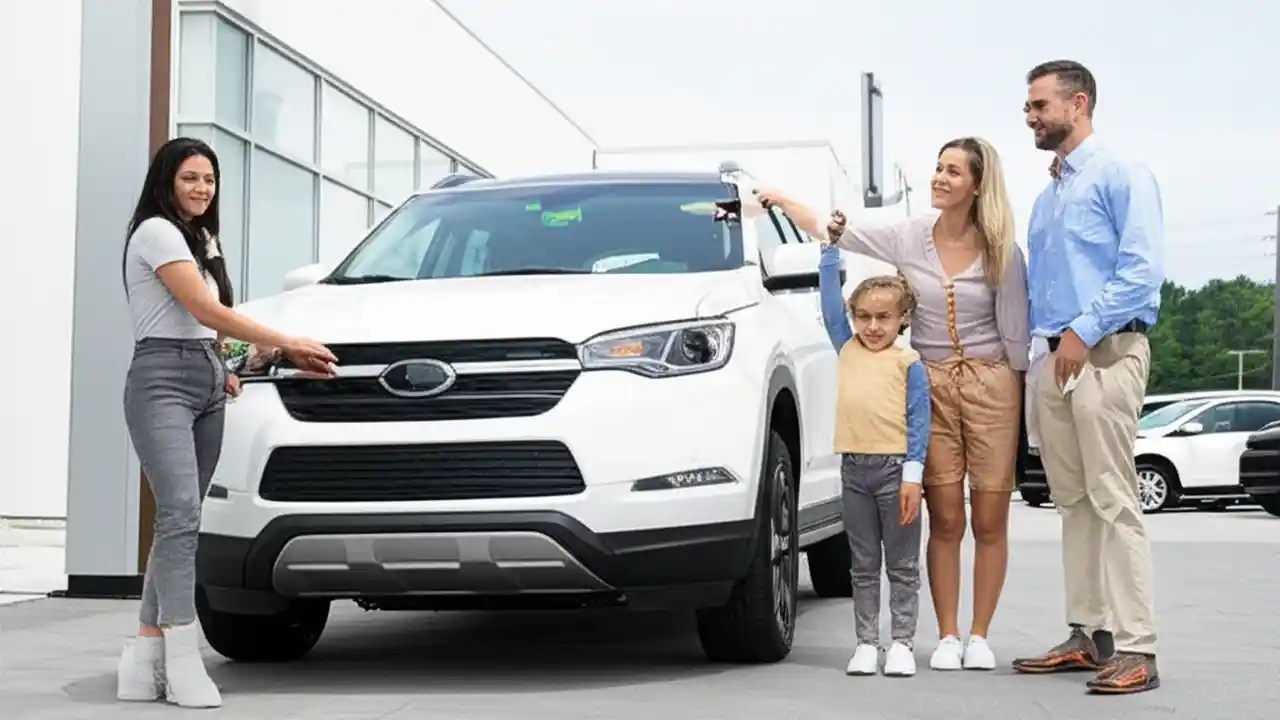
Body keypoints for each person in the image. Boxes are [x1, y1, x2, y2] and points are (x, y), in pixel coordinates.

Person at [757, 135, 1029, 672]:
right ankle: (947, 635)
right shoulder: (909, 236)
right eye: (938, 168)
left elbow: (1016, 336)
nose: (940, 178)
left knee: (991, 517)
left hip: (993, 384)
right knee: (946, 516)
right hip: (930, 384)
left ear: (977, 185)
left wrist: (1021, 414)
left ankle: (980, 635)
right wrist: (780, 199)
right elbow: (841, 231)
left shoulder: (1003, 249)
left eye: (953, 171)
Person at [116, 137, 338, 708]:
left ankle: (143, 657)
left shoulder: (201, 238)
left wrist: (234, 364)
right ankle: (184, 658)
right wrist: (288, 339)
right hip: (160, 377)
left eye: (209, 180)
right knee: (182, 514)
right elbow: (205, 310)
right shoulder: (156, 232)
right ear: (167, 181)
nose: (201, 188)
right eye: (191, 177)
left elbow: (212, 331)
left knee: (179, 520)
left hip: (207, 381)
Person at [1010, 59, 1163, 695]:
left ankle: (1138, 648)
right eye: (1028, 106)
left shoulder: (1123, 174)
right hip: (1054, 362)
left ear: (1078, 104)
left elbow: (1142, 270)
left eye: (1040, 105)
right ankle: (1088, 634)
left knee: (1114, 499)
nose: (1030, 116)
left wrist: (1083, 330)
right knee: (1072, 503)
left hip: (1103, 352)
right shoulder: (1048, 197)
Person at [817, 242, 931, 677]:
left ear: (903, 318)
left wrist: (912, 477)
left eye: (883, 317)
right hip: (854, 471)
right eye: (863, 316)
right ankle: (867, 643)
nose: (873, 326)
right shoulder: (847, 349)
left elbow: (919, 422)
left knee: (901, 565)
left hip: (895, 473)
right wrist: (829, 253)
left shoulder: (910, 361)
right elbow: (830, 308)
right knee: (863, 565)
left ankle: (902, 642)